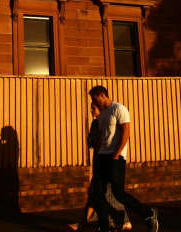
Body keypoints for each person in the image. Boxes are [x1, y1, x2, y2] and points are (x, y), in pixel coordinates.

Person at [88, 85, 160, 232]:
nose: (95, 103)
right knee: (98, 194)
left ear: (102, 95)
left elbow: (126, 132)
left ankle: (148, 214)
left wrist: (116, 153)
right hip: (102, 157)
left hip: (115, 157)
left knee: (118, 194)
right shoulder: (102, 115)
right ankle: (104, 226)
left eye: (95, 99)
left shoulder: (119, 109)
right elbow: (103, 138)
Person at [68, 102, 131, 231]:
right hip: (98, 162)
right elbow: (93, 144)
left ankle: (123, 221)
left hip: (107, 163)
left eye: (93, 108)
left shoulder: (107, 122)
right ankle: (92, 223)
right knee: (96, 194)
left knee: (107, 194)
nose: (91, 110)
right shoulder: (95, 124)